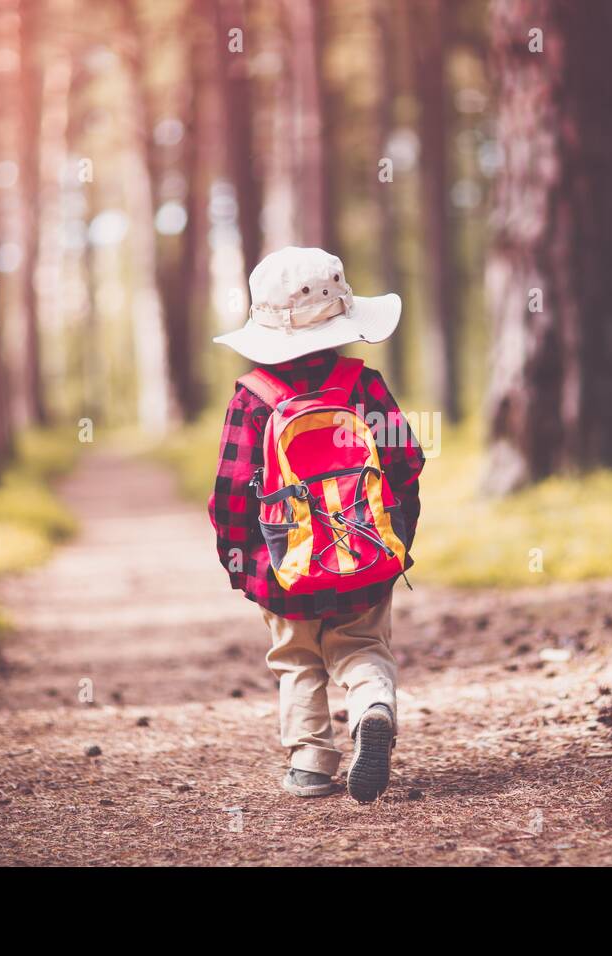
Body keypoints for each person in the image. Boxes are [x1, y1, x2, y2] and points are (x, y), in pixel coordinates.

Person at [208, 247, 424, 802]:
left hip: (286, 564)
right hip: (366, 551)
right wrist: (396, 540)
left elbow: (230, 495)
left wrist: (247, 566)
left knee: (297, 659)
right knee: (362, 646)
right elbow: (405, 464)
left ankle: (310, 762)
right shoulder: (364, 385)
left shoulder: (252, 400)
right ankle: (373, 704)